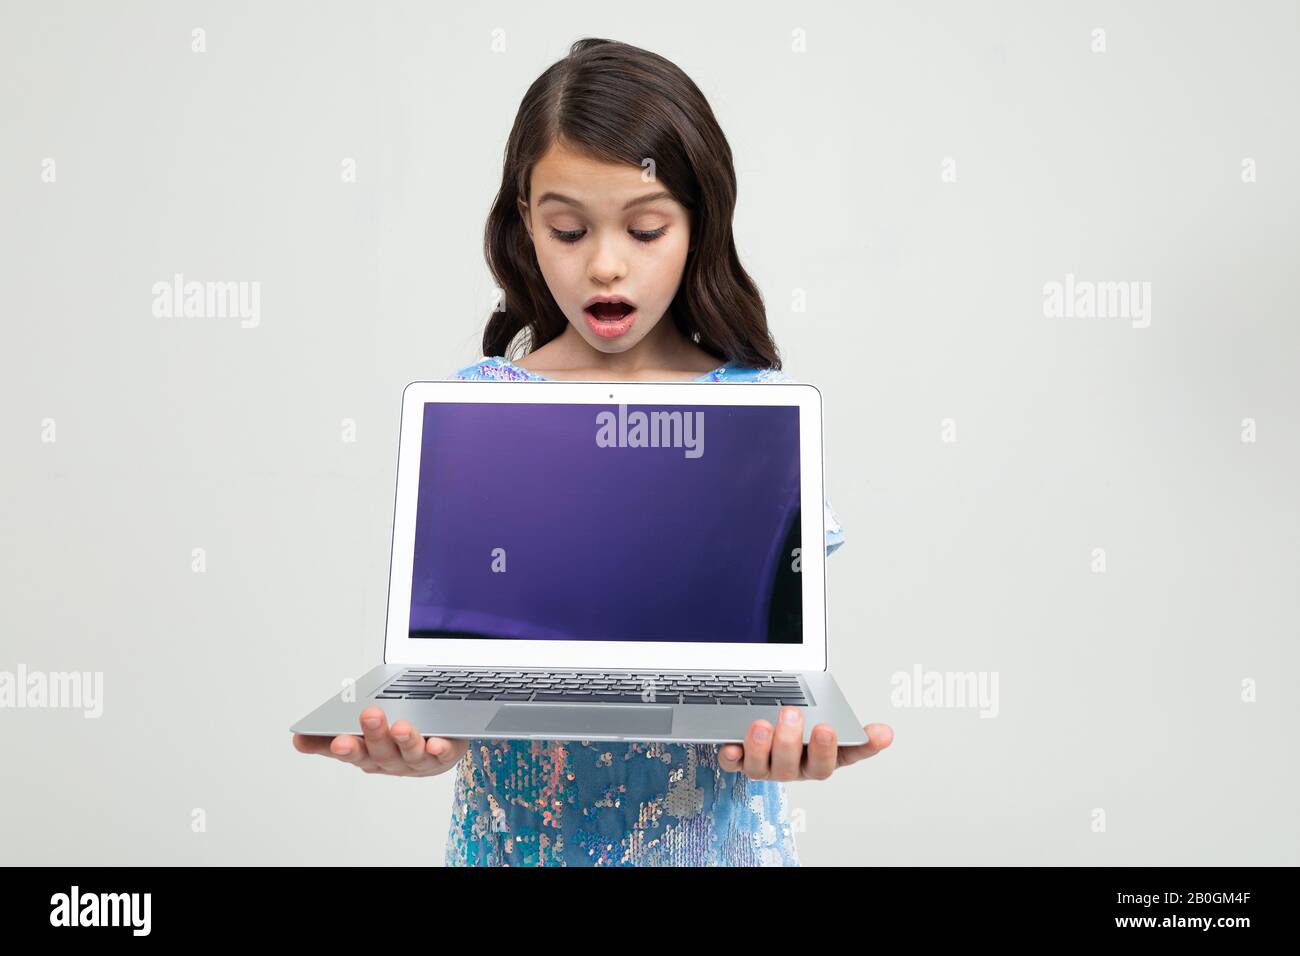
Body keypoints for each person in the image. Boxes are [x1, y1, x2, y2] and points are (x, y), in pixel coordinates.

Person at [293, 37, 893, 865]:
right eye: (568, 229)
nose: (605, 265)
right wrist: (428, 735)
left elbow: (774, 658)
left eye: (645, 229)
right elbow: (466, 665)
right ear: (525, 227)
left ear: (699, 227)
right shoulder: (484, 408)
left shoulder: (752, 413)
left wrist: (788, 736)